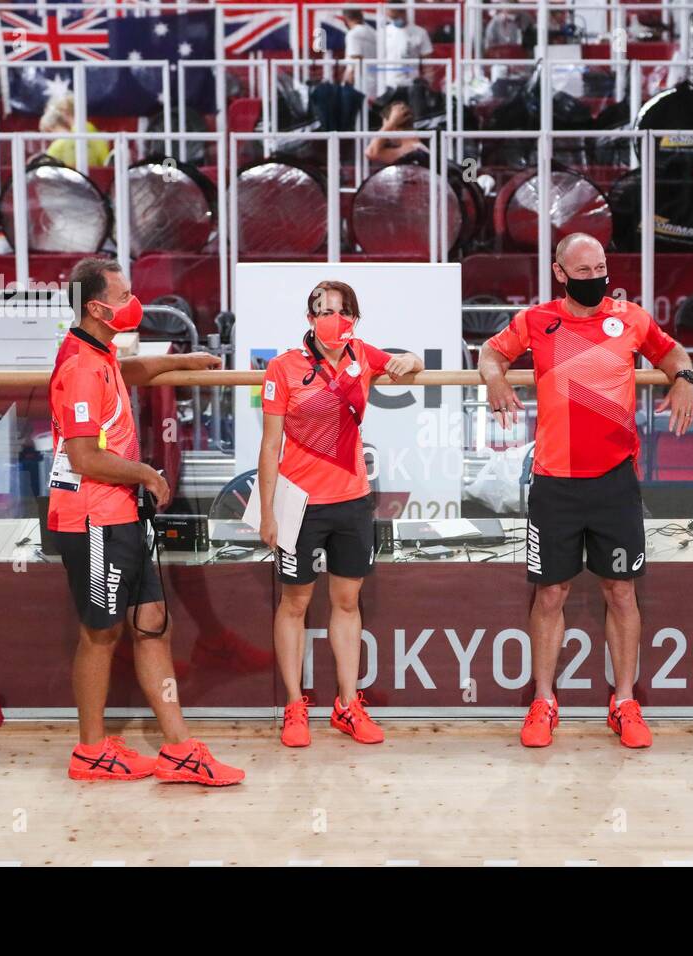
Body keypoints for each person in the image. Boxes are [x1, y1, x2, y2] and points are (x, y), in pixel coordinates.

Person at [479, 233, 693, 749]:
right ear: (560, 274)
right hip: (555, 481)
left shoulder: (631, 318)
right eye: (584, 271)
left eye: (601, 267)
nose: (596, 278)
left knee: (620, 591)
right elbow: (490, 352)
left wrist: (684, 377)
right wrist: (493, 377)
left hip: (615, 481)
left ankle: (624, 702)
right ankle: (543, 700)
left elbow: (672, 352)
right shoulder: (537, 321)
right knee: (550, 592)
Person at [50, 256, 244, 785]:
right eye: (123, 295)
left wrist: (181, 363)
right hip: (93, 521)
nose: (133, 302)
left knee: (153, 625)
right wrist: (146, 474)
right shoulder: (80, 367)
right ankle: (90, 752)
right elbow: (85, 457)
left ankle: (179, 750)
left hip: (121, 516)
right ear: (96, 306)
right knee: (101, 635)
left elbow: (125, 371)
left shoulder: (97, 351)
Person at [259, 280, 423, 748]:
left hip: (352, 500)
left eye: (342, 311)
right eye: (324, 311)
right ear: (309, 318)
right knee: (295, 604)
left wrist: (406, 362)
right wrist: (270, 514)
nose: (334, 319)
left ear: (354, 318)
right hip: (300, 503)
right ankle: (295, 705)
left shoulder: (360, 354)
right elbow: (270, 446)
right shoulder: (283, 368)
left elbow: (412, 363)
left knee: (347, 603)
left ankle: (347, 704)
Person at [41, 93, 111, 168]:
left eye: (56, 114)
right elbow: (106, 164)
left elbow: (46, 166)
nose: (55, 118)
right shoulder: (98, 138)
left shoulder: (61, 143)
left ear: (64, 111)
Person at [381, 0, 432, 89]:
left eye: (396, 16)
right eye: (392, 17)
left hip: (412, 84)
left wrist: (428, 81)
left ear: (404, 12)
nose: (394, 19)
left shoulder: (420, 32)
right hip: (389, 83)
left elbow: (427, 62)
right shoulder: (383, 32)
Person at [364, 99, 425, 164]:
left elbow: (371, 152)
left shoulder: (411, 152)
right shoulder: (420, 148)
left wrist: (390, 123)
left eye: (384, 127)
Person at [341, 8, 378, 97]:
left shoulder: (353, 34)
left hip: (359, 82)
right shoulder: (373, 32)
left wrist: (349, 75)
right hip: (374, 80)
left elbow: (356, 58)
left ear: (346, 18)